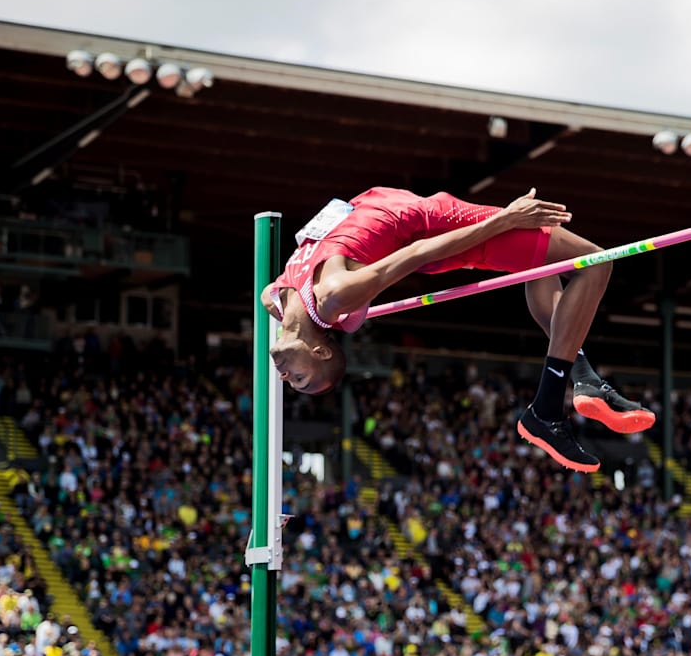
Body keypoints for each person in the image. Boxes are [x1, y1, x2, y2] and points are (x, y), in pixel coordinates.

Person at [264, 187, 655, 471]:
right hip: (436, 226)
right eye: (298, 378)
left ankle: (584, 378)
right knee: (596, 263)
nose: (284, 377)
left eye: (295, 380)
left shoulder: (275, 298)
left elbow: (295, 291)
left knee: (540, 264)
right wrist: (505, 219)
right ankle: (548, 407)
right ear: (320, 351)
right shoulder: (334, 296)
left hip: (403, 210)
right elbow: (417, 252)